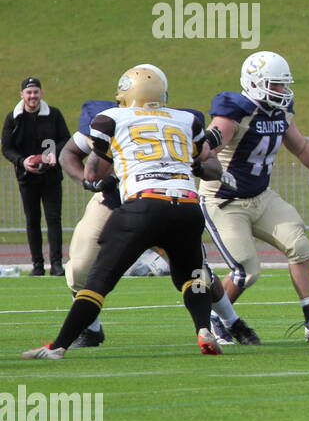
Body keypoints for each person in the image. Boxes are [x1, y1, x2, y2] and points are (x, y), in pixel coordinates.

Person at [21, 67, 226, 359]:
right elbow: (210, 167)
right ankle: (203, 329)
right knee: (191, 275)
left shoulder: (111, 118)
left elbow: (93, 170)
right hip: (188, 206)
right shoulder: (186, 119)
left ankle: (58, 346)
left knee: (99, 280)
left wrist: (97, 179)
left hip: (143, 205)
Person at [58, 67, 255, 348]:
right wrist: (88, 183)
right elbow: (70, 153)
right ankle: (91, 329)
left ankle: (232, 321)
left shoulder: (178, 121)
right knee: (79, 269)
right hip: (112, 199)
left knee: (197, 271)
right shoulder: (106, 118)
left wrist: (194, 163)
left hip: (160, 199)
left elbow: (210, 163)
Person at [199, 51, 309, 341]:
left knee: (299, 245)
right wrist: (218, 172)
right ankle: (217, 319)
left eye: (284, 85)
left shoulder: (280, 111)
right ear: (256, 83)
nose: (283, 91)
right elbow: (204, 150)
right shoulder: (234, 111)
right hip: (224, 200)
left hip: (261, 196)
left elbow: (300, 146)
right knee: (246, 270)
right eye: (276, 85)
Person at [3, 77, 70, 275]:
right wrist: (23, 161)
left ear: (41, 93)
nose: (32, 96)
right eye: (29, 92)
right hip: (26, 177)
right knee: (32, 220)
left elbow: (66, 138)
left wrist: (51, 155)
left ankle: (56, 265)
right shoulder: (14, 118)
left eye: (35, 92)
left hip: (51, 176)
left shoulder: (53, 114)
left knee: (53, 219)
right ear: (22, 95)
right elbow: (7, 148)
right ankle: (37, 265)